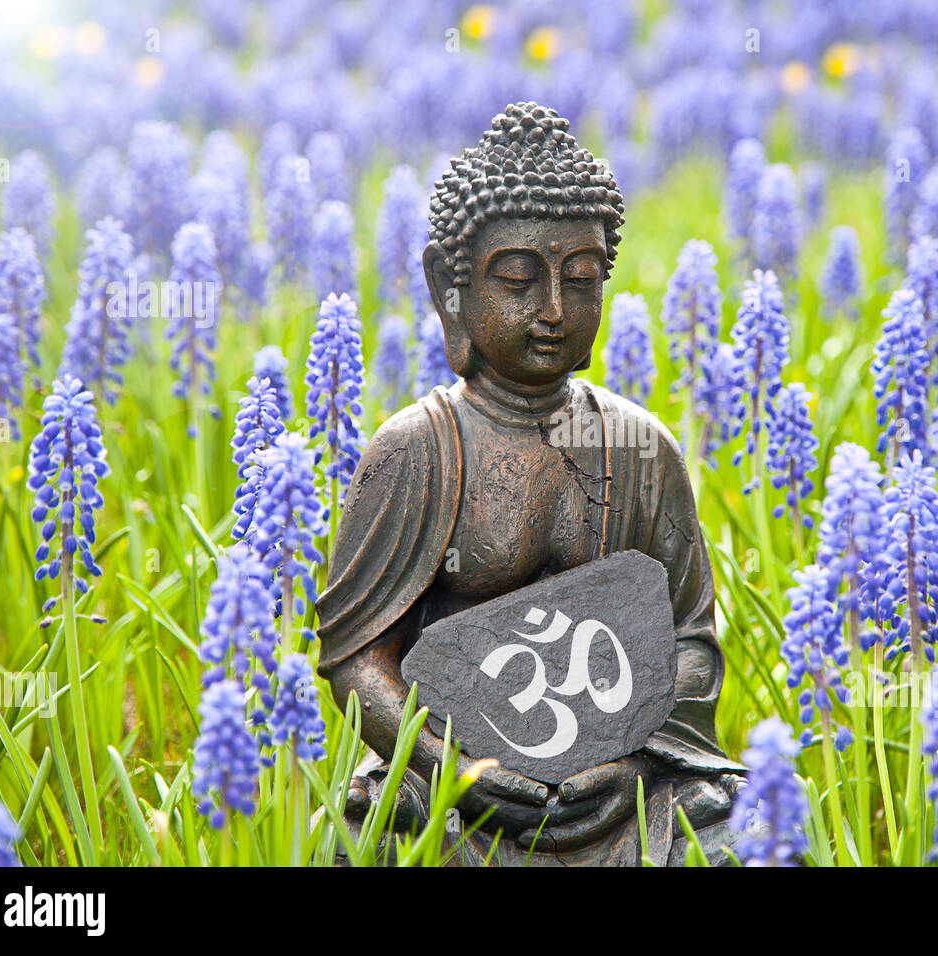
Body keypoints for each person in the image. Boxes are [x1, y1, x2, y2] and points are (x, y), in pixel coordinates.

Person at [316, 103, 743, 866]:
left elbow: (692, 645)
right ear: (450, 291)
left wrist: (635, 758)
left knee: (758, 832)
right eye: (517, 279)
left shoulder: (641, 448)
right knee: (360, 846)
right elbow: (354, 660)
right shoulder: (416, 451)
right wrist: (455, 772)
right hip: (456, 790)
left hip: (618, 787)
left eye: (580, 281)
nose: (551, 311)